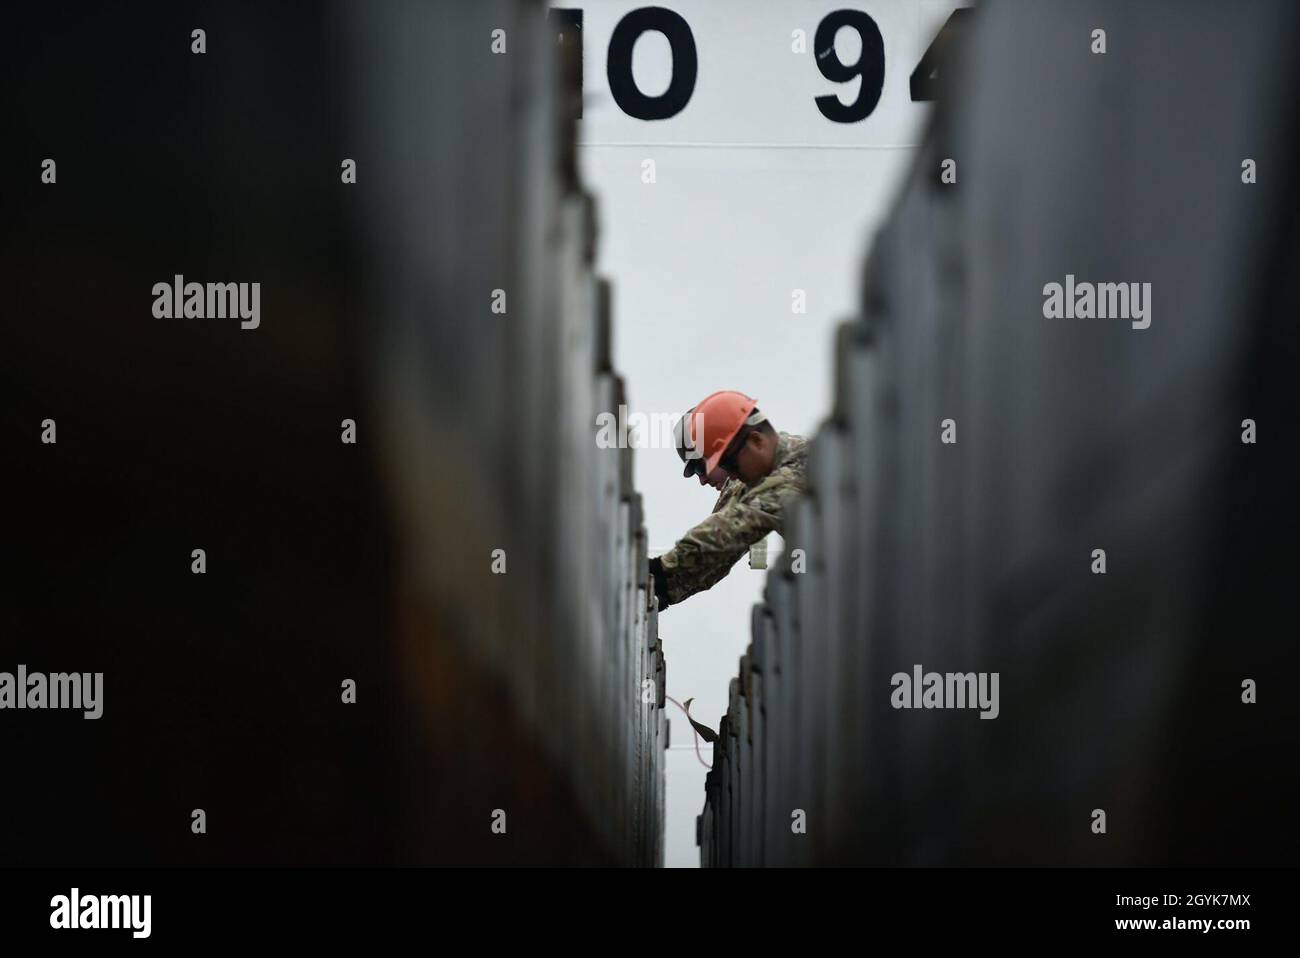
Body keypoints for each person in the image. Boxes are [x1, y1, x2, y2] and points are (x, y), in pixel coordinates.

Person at [649, 391, 808, 610]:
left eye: (704, 466)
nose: (731, 475)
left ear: (757, 441)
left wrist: (660, 573)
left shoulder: (794, 468)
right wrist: (663, 588)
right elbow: (718, 554)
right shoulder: (756, 474)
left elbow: (730, 528)